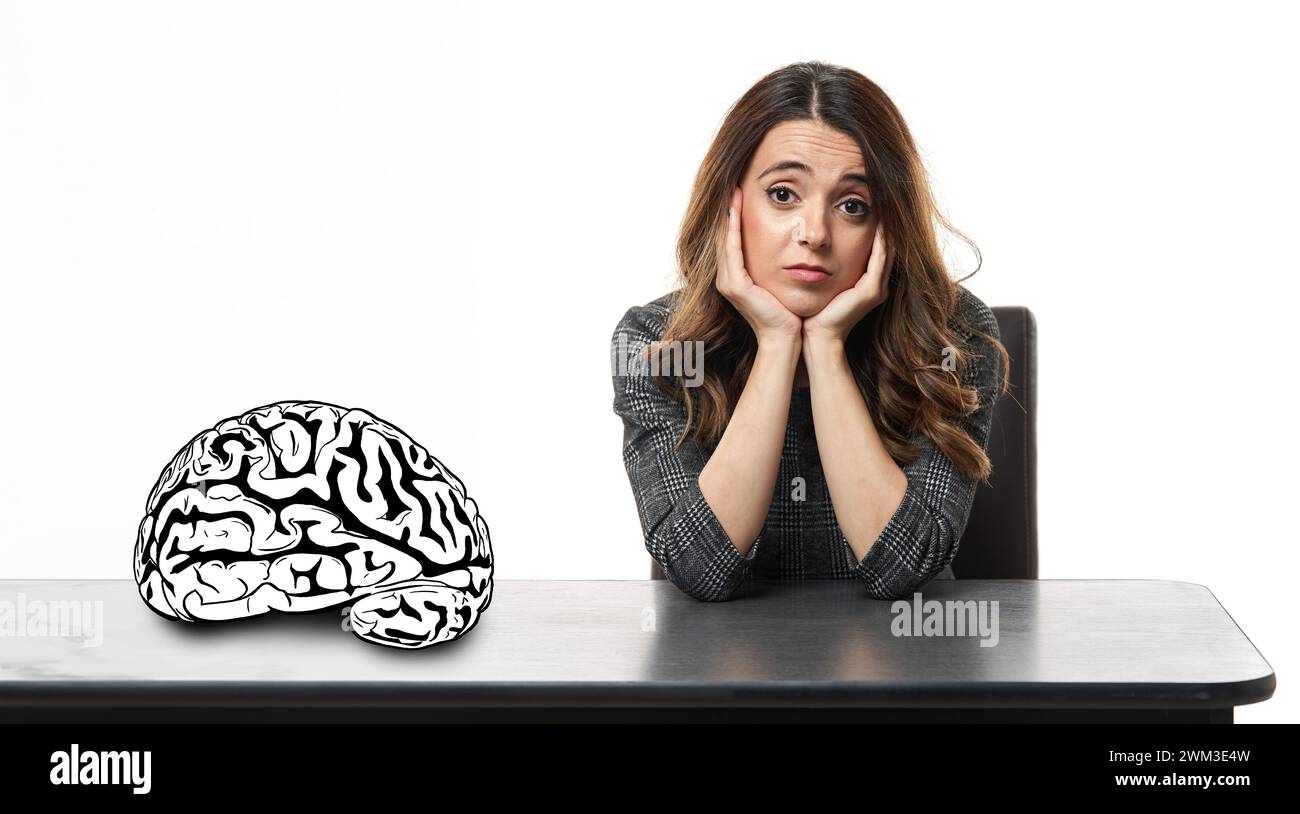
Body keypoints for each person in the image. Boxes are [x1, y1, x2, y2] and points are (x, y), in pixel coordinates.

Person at [610, 61, 1010, 602]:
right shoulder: (656, 343)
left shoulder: (952, 335)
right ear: (731, 205)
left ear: (887, 226)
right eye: (783, 195)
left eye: (852, 206)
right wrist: (778, 343)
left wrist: (825, 346)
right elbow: (700, 568)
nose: (815, 234)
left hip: (904, 648)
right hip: (720, 654)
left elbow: (902, 569)